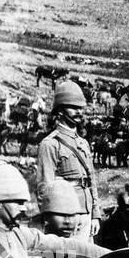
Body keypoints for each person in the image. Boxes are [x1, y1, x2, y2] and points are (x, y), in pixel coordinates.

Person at [35, 81, 100, 238]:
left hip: (86, 213)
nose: (78, 112)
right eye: (73, 107)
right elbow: (45, 186)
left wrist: (95, 214)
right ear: (60, 110)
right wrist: (51, 218)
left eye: (80, 108)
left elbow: (91, 179)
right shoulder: (50, 144)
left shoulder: (83, 143)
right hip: (64, 217)